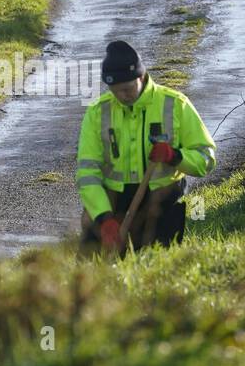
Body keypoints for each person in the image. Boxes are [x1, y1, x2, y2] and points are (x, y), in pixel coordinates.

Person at [77, 40, 215, 254]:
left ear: (140, 77)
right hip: (114, 205)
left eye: (127, 88)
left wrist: (175, 156)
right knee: (91, 269)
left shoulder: (175, 104)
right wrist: (103, 217)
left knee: (156, 269)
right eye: (116, 91)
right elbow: (88, 174)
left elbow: (205, 159)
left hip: (163, 204)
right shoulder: (98, 112)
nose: (122, 96)